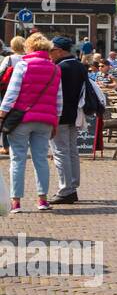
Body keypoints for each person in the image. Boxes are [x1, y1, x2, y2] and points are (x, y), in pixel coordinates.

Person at [1, 34, 63, 214]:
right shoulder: (54, 69)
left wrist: (2, 114)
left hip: (22, 119)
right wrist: (55, 122)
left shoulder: (23, 65)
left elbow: (12, 93)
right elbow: (59, 99)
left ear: (29, 48)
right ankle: (42, 200)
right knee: (41, 160)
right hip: (45, 120)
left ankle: (16, 202)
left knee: (18, 159)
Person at [49, 36, 89, 205]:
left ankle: (66, 190)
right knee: (72, 150)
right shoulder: (80, 66)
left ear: (59, 50)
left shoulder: (59, 68)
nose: (49, 53)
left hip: (60, 114)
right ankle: (72, 185)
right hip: (76, 114)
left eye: (51, 50)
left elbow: (55, 93)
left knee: (60, 152)